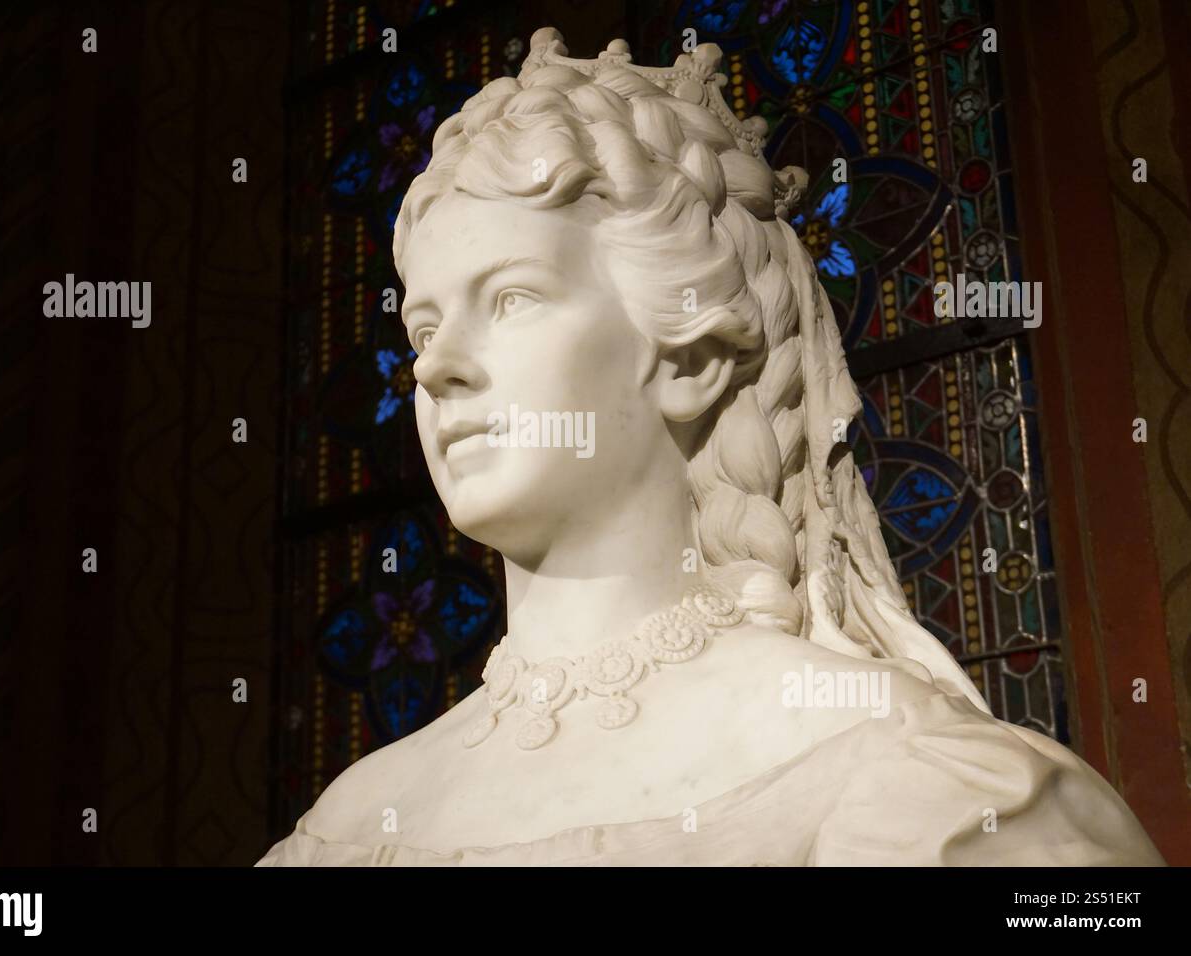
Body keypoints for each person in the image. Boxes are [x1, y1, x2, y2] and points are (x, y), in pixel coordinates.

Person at [258, 29, 1164, 866]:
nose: (438, 368)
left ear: (688, 356)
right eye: (421, 329)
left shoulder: (935, 797)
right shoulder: (342, 830)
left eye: (512, 300)